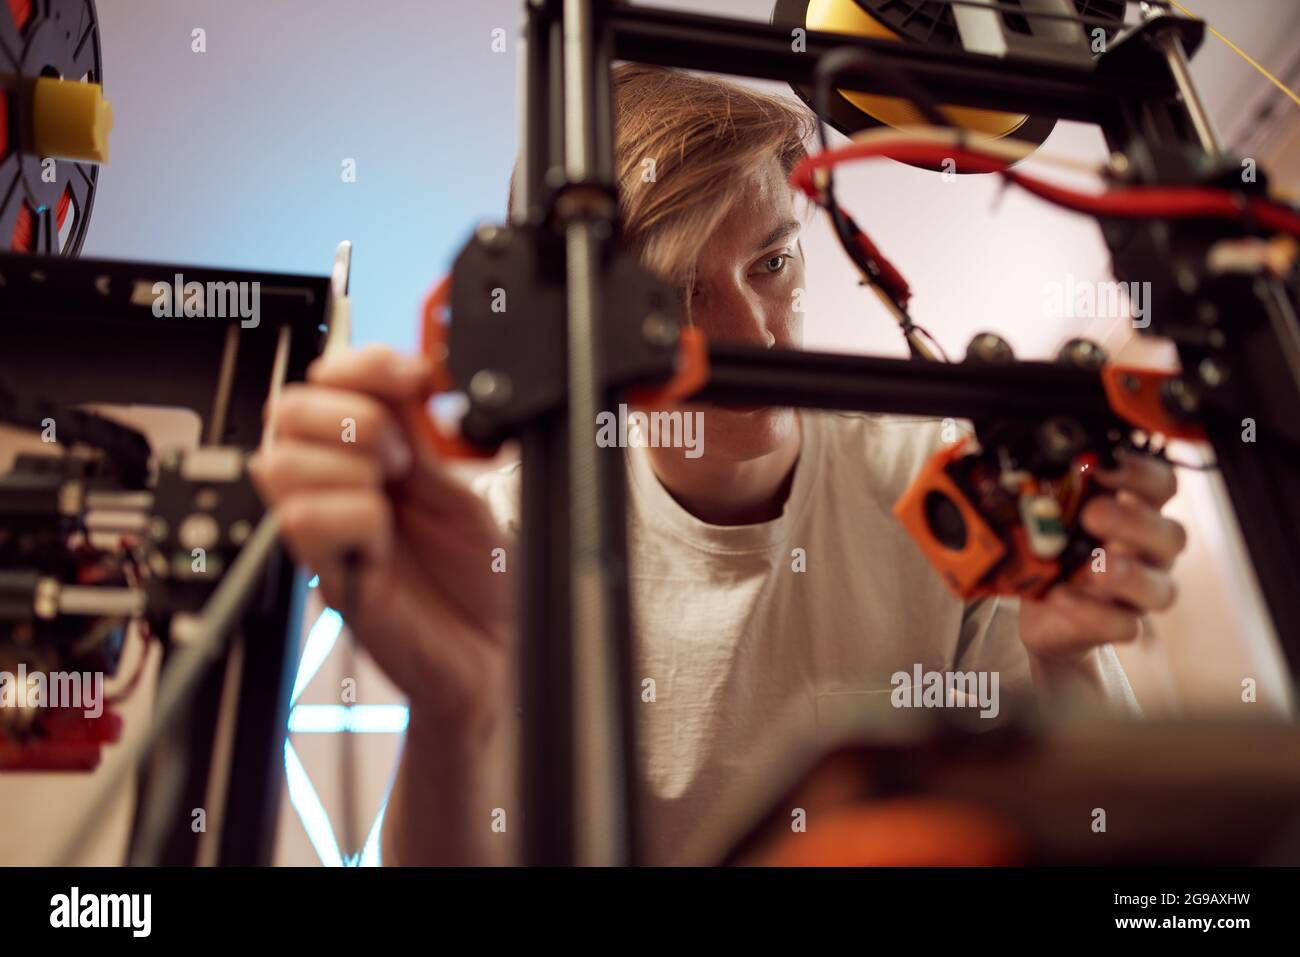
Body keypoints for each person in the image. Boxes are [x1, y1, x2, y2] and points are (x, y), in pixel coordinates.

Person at [250, 64, 1186, 865]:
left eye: (773, 264)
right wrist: (452, 712)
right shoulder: (510, 536)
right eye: (678, 297)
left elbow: (1120, 866)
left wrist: (1066, 659)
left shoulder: (944, 482)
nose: (749, 335)